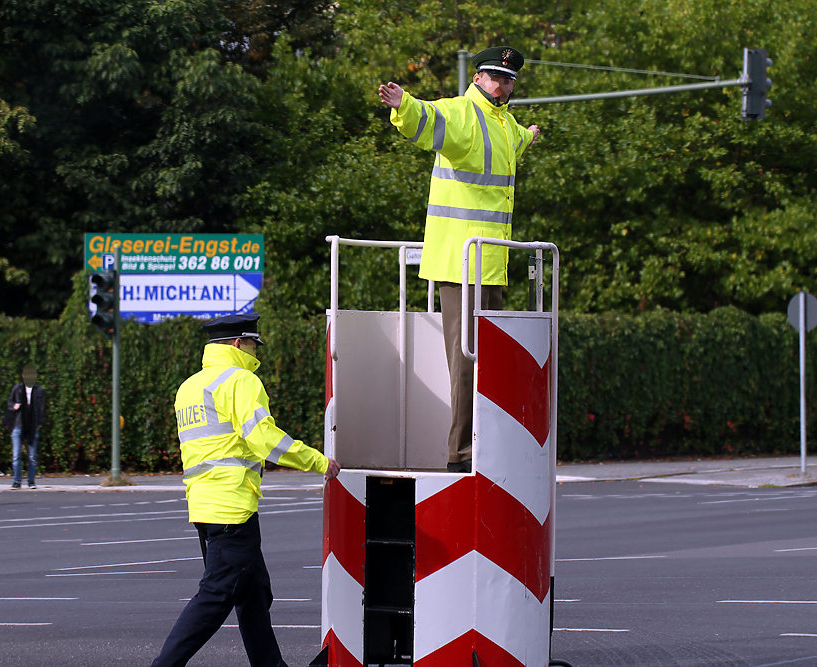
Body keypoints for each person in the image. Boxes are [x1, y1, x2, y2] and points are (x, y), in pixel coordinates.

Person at [378, 46, 540, 472]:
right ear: (478, 78)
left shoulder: (505, 125)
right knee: (466, 365)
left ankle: (484, 450)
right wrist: (404, 106)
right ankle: (461, 458)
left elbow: (510, 147)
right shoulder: (464, 112)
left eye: (508, 80)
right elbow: (431, 119)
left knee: (487, 362)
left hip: (492, 265)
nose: (502, 84)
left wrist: (529, 135)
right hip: (462, 266)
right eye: (494, 77)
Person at [151, 312, 340, 667]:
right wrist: (318, 461)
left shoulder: (189, 387)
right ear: (239, 343)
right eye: (254, 344)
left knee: (253, 593)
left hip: (205, 507)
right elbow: (263, 439)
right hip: (232, 508)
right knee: (216, 596)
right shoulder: (239, 381)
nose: (257, 352)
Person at [7, 364, 46, 489]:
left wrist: (39, 423)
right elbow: (10, 402)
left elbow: (42, 408)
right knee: (16, 455)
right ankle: (17, 481)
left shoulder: (39, 390)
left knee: (32, 457)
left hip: (32, 426)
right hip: (19, 425)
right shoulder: (17, 389)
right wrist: (14, 406)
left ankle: (31, 481)